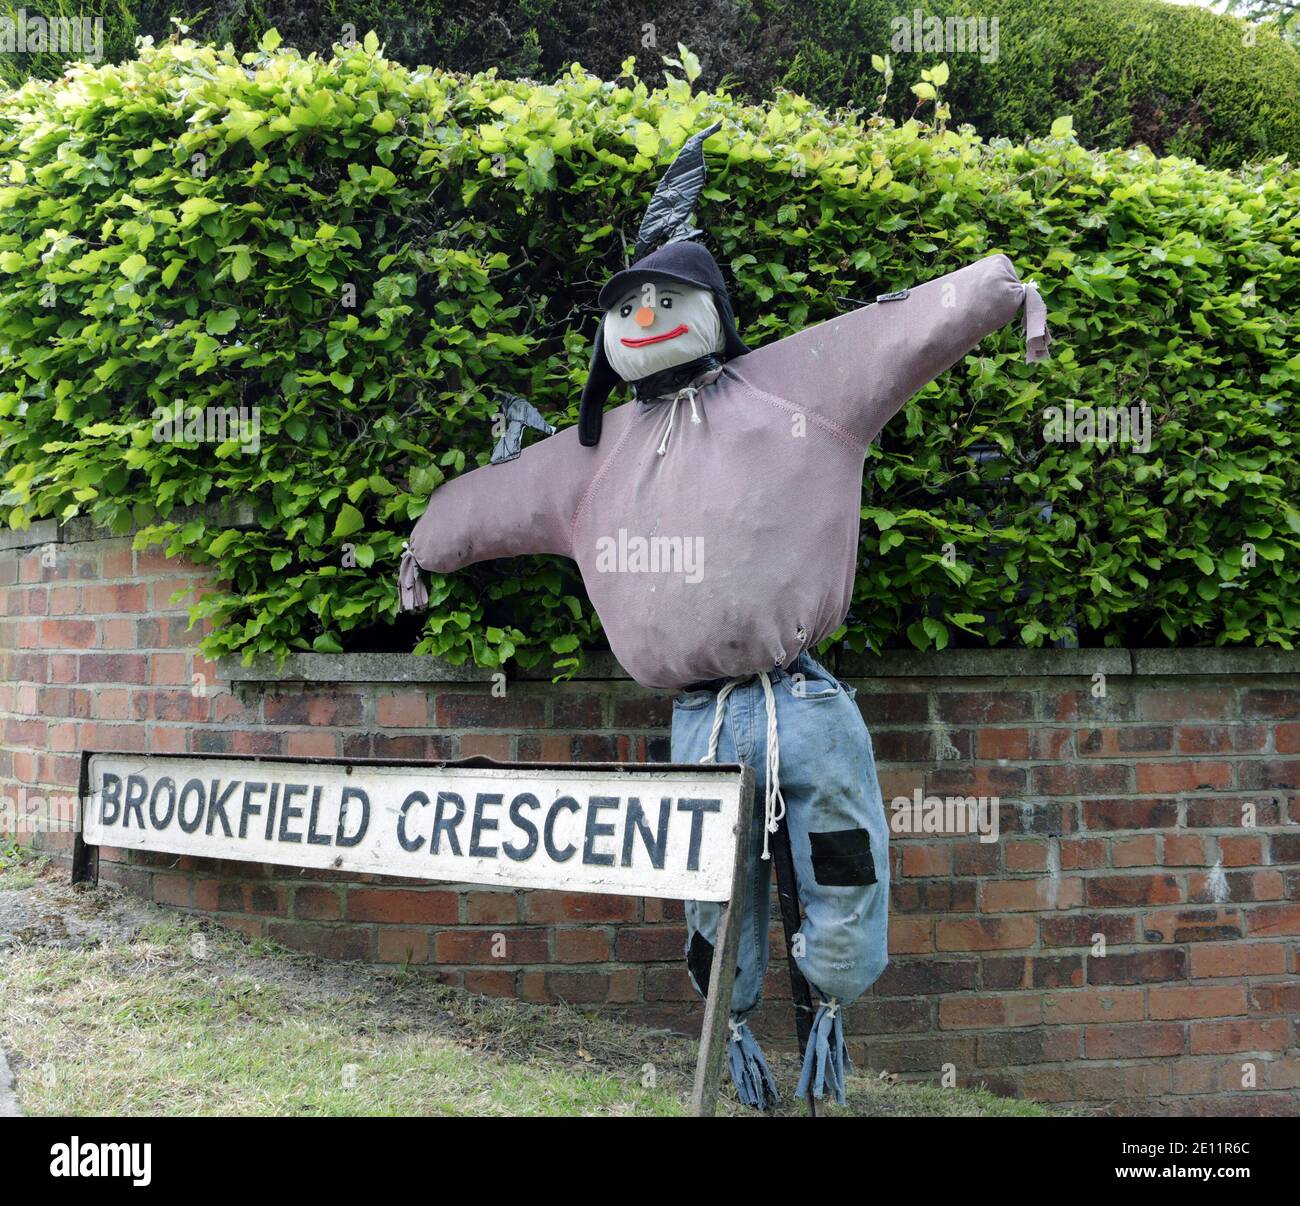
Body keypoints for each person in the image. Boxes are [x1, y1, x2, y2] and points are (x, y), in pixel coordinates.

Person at [399, 122, 1050, 1107]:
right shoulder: (590, 457)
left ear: (712, 308)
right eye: (629, 308)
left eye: (669, 300)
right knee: (715, 889)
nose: (648, 317)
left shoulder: (794, 385)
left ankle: (827, 1011)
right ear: (607, 336)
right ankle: (734, 1031)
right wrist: (424, 543)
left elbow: (897, 325)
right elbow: (495, 500)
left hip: (800, 701)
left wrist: (997, 289)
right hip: (697, 721)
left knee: (838, 852)